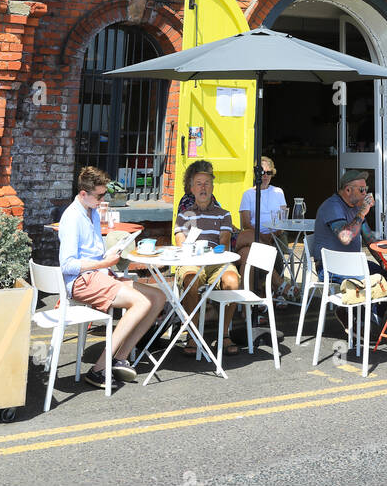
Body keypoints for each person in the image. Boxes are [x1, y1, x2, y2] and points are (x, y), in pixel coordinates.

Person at [58, 165, 166, 388]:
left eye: (104, 193)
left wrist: (111, 254)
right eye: (99, 195)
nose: (103, 198)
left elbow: (93, 252)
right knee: (140, 301)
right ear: (83, 194)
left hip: (100, 274)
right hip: (82, 280)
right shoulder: (71, 218)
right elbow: (67, 265)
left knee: (158, 297)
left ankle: (120, 358)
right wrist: (104, 262)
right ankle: (99, 369)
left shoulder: (93, 212)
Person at [174, 159, 241, 354]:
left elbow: (224, 242)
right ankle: (193, 335)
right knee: (190, 280)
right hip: (192, 261)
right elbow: (180, 241)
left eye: (207, 183)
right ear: (192, 189)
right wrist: (191, 250)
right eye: (199, 184)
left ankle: (224, 334)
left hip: (216, 262)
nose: (203, 188)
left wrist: (212, 252)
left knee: (232, 282)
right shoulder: (184, 215)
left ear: (212, 187)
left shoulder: (224, 214)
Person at [313, 170, 387, 324]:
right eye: (362, 190)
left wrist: (383, 262)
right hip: (330, 268)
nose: (366, 193)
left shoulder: (356, 208)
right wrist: (363, 212)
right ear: (348, 190)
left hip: (354, 266)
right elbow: (345, 237)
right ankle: (359, 319)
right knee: (369, 282)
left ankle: (370, 320)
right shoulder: (332, 206)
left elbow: (369, 239)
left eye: (366, 189)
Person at [237, 155, 294, 304]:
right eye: (261, 172)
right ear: (256, 174)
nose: (265, 176)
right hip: (255, 234)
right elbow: (246, 223)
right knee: (262, 247)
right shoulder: (248, 194)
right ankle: (277, 288)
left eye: (268, 173)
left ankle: (267, 289)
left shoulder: (278, 192)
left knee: (267, 250)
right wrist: (262, 236)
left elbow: (283, 218)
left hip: (276, 233)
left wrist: (275, 233)